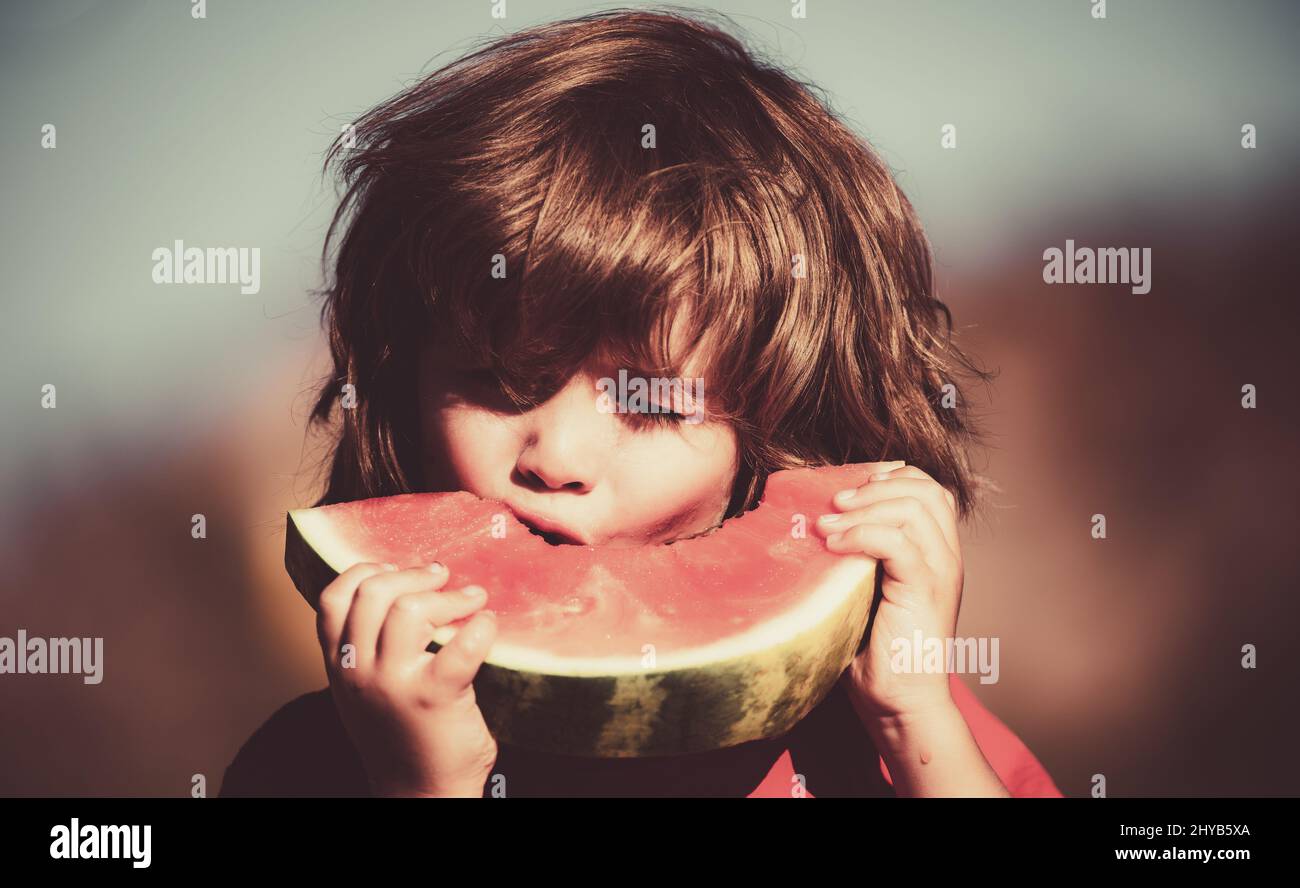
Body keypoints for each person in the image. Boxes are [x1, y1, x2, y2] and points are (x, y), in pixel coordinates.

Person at [222, 8, 1061, 798]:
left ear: (781, 433)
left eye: (654, 402)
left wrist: (916, 725)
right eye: (499, 381)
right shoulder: (309, 765)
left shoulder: (896, 736)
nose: (557, 458)